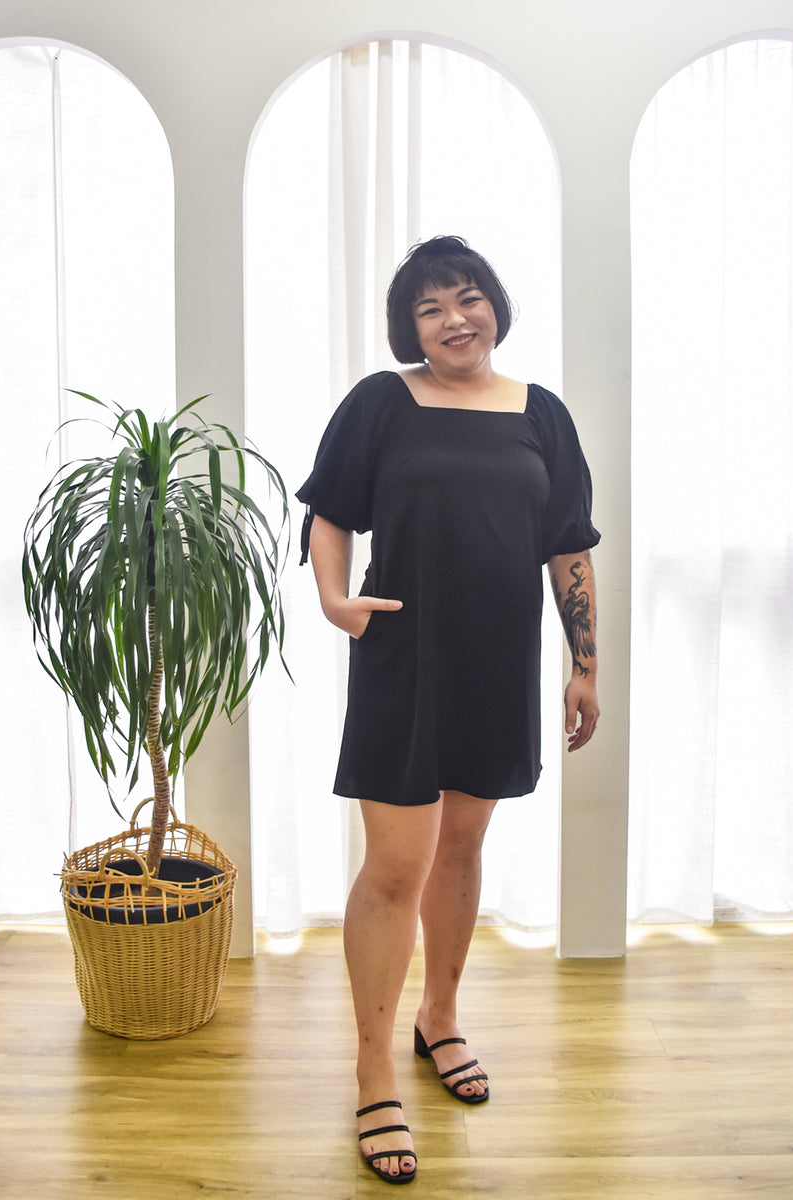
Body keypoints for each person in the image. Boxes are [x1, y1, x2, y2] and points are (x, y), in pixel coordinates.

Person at [296, 235, 600, 1184]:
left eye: (467, 298)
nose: (453, 319)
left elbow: (568, 546)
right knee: (396, 865)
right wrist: (332, 598)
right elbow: (329, 510)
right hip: (403, 656)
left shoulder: (541, 414)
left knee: (461, 850)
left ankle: (440, 1017)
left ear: (494, 306)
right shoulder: (381, 402)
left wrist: (585, 665)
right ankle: (373, 1068)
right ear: (409, 328)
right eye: (429, 309)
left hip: (496, 661)